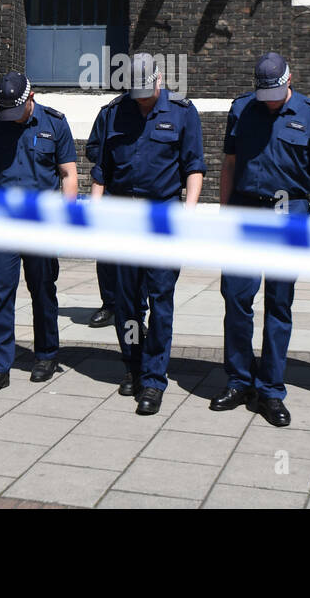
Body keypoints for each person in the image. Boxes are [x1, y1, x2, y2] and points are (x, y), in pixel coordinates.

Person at [213, 53, 310, 427]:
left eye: (275, 94)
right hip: (245, 216)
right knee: (236, 299)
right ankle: (238, 381)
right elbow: (230, 164)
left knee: (279, 304)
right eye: (263, 96)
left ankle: (271, 389)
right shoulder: (241, 109)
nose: (268, 102)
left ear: (289, 81)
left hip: (290, 218)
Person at [86, 53, 205, 415]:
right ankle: (133, 366)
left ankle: (154, 380)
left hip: (163, 218)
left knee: (160, 298)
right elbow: (101, 170)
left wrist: (188, 215)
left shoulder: (183, 113)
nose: (140, 98)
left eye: (145, 91)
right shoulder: (112, 113)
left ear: (158, 80)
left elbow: (194, 168)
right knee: (127, 303)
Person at [0, 71, 78, 397]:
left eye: (16, 111)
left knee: (43, 291)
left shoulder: (55, 123)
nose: (11, 118)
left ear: (30, 98)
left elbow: (69, 175)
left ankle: (46, 354)